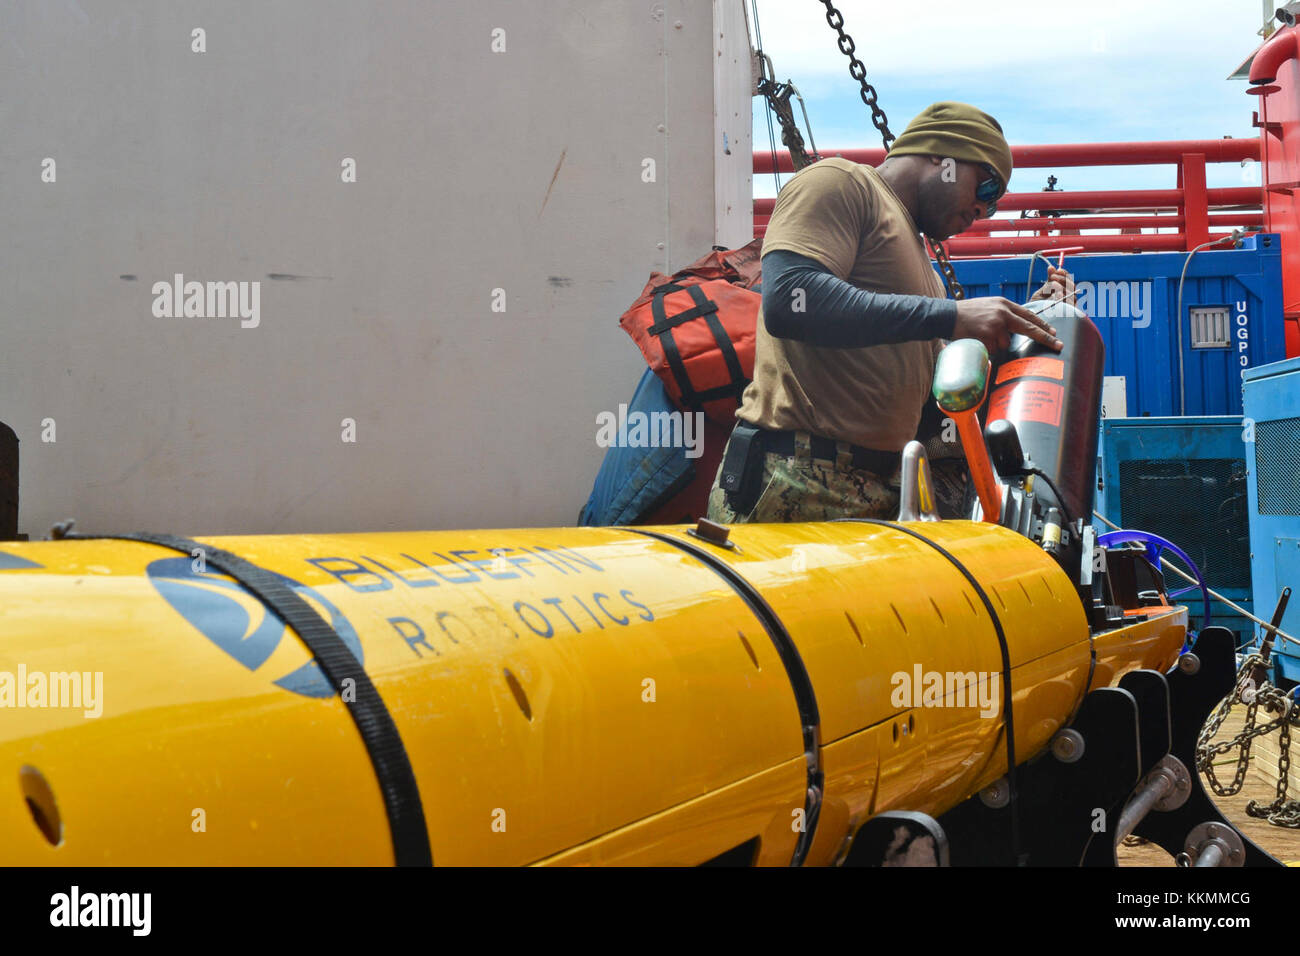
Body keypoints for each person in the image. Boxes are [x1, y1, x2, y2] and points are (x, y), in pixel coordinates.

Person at [706, 101, 1073, 525]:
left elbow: (933, 397)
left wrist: (1033, 317)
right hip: (797, 480)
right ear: (942, 153)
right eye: (986, 187)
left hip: (873, 488)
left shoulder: (920, 262)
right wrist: (950, 316)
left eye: (993, 205)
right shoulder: (839, 182)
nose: (982, 210)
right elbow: (791, 298)